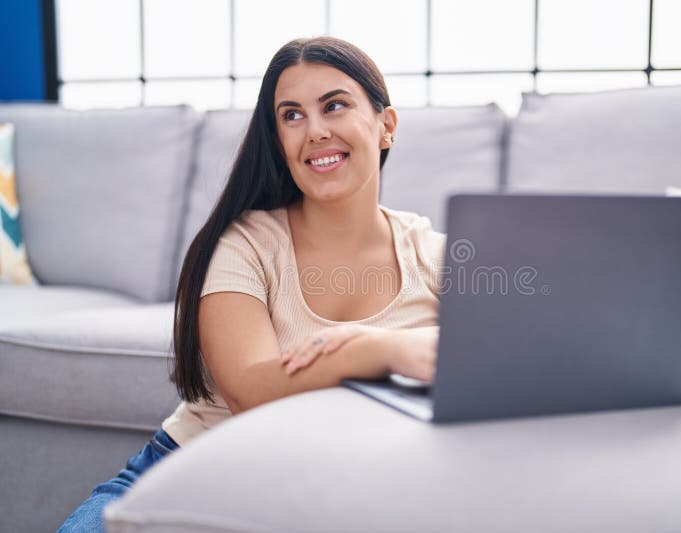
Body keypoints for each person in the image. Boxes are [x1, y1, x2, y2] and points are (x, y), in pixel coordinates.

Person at [56, 36, 444, 532]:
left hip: (337, 496)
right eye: (292, 115)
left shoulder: (436, 255)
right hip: (191, 473)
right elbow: (248, 394)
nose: (316, 131)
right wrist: (374, 350)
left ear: (385, 126)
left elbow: (512, 366)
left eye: (335, 105)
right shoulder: (244, 244)